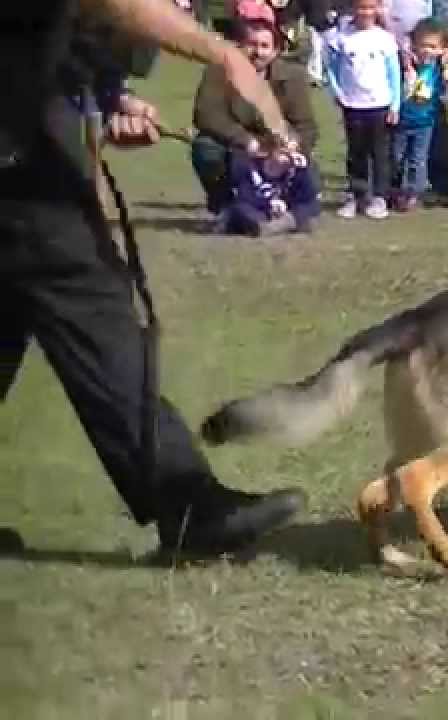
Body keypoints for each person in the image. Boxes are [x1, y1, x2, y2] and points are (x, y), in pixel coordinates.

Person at [0, 0, 305, 556]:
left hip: (25, 132)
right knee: (89, 300)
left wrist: (109, 101)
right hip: (20, 162)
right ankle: (188, 505)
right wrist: (225, 55)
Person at [192, 18, 318, 216]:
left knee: (307, 185)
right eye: (251, 44)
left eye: (264, 46)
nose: (257, 52)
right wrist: (245, 140)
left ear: (275, 51)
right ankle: (223, 204)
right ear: (239, 46)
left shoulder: (293, 76)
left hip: (277, 142)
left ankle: (280, 204)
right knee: (205, 147)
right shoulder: (218, 70)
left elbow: (305, 125)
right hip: (235, 140)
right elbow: (206, 114)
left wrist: (292, 145)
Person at [323, 0, 402, 219]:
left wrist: (395, 105)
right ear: (352, 8)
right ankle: (357, 195)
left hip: (379, 105)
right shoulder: (341, 38)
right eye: (361, 7)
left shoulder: (384, 39)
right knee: (356, 153)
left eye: (370, 7)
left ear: (377, 9)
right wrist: (337, 93)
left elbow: (394, 74)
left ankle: (379, 197)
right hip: (353, 104)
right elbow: (332, 69)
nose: (365, 12)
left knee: (379, 154)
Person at [382, 0, 448, 202]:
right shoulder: (406, 68)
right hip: (402, 121)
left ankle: (413, 193)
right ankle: (393, 190)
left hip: (425, 123)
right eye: (424, 45)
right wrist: (408, 71)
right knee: (396, 157)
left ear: (442, 49)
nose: (427, 50)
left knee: (418, 160)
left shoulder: (438, 70)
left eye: (433, 47)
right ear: (414, 44)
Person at [216, 145, 322, 235]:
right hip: (255, 210)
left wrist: (304, 171)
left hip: (285, 214)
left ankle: (284, 223)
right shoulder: (250, 167)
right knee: (240, 210)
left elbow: (310, 199)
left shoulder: (298, 172)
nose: (289, 154)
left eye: (293, 151)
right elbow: (245, 197)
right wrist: (269, 204)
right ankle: (268, 226)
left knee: (308, 208)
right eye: (284, 150)